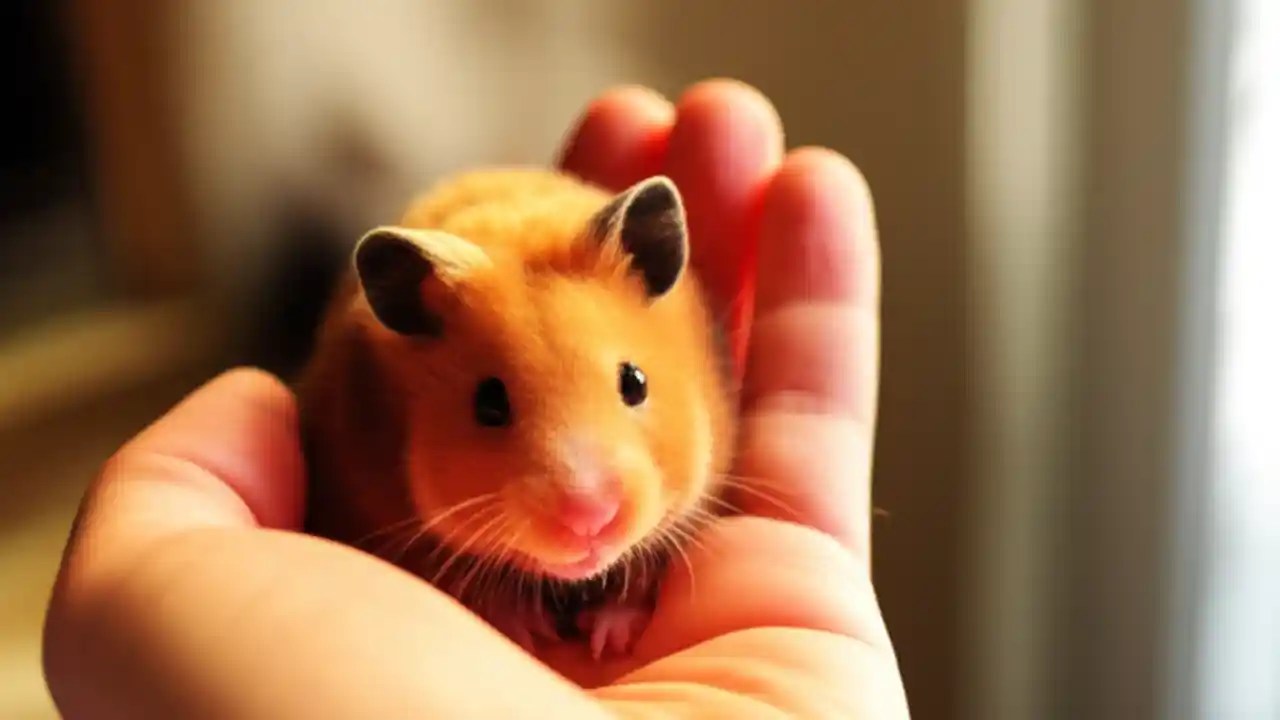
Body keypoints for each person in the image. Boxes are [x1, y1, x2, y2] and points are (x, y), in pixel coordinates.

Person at [42, 80, 909, 718]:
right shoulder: (368, 421)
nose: (587, 504)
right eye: (495, 407)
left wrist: (636, 587)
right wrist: (477, 594)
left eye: (630, 388)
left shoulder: (695, 378)